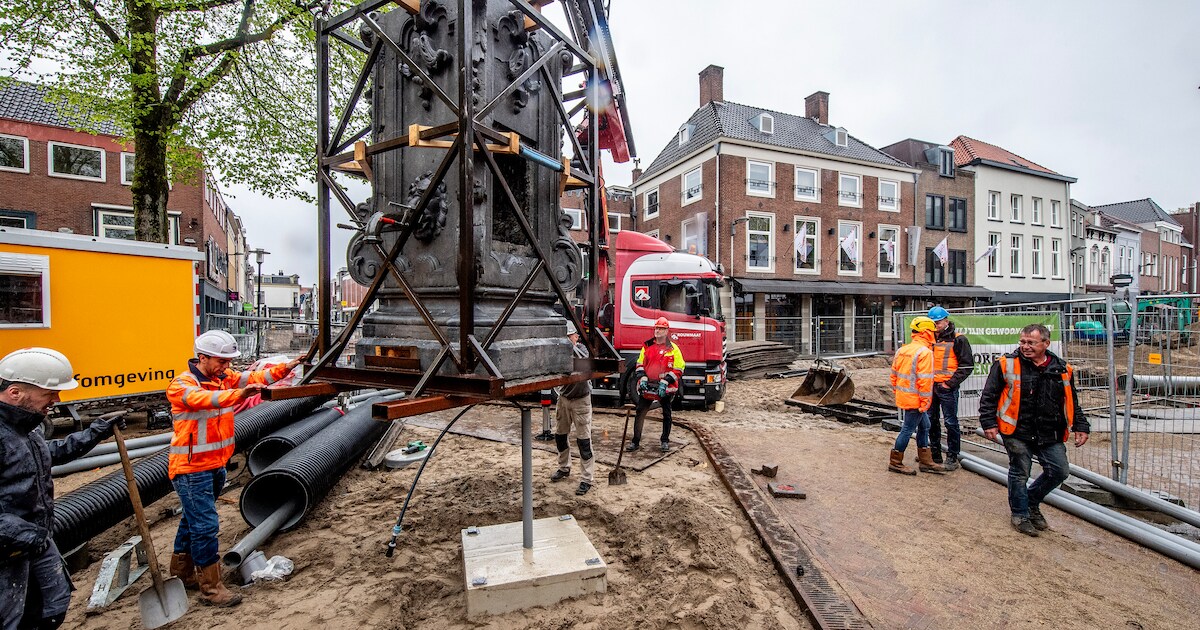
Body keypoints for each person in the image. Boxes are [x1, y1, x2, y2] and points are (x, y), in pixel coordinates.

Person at [166, 331, 300, 606]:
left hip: (215, 466)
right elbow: (206, 400)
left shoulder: (221, 379)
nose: (227, 367)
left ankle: (182, 574)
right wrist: (238, 394)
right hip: (191, 469)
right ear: (202, 358)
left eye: (228, 362)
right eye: (221, 361)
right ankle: (211, 589)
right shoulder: (182, 385)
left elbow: (255, 378)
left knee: (191, 521)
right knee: (204, 526)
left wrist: (288, 366)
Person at [0, 347, 125, 630]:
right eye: (49, 393)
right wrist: (26, 535)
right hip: (8, 550)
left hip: (36, 540)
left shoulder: (25, 427)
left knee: (52, 605)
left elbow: (46, 453)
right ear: (16, 392)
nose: (56, 401)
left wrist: (96, 432)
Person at [979, 323, 1089, 537]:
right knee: (1020, 472)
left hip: (1049, 431)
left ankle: (1030, 502)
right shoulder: (1006, 365)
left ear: (1046, 344)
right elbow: (989, 396)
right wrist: (988, 423)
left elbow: (1071, 401)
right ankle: (1020, 514)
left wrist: (1081, 425)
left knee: (1059, 471)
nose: (1025, 346)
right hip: (1017, 430)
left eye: (1031, 342)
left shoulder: (1062, 369)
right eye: (1022, 342)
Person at [888, 317, 945, 475]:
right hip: (916, 400)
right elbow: (925, 380)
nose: (934, 334)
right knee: (907, 429)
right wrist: (926, 402)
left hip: (905, 396)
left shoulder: (903, 350)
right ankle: (895, 461)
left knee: (925, 426)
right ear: (926, 333)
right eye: (932, 332)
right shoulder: (924, 352)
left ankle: (925, 461)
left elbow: (894, 375)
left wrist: (898, 391)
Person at [549, 321, 596, 496]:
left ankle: (586, 478)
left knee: (584, 441)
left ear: (575, 337)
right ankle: (564, 467)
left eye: (571, 336)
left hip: (581, 400)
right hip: (564, 399)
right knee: (560, 436)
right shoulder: (558, 352)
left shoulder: (582, 350)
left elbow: (582, 362)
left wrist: (570, 345)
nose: (570, 339)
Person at [927, 306, 975, 471]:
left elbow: (966, 366)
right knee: (931, 421)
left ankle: (952, 456)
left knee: (950, 422)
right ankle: (935, 454)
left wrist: (950, 383)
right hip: (931, 386)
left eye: (938, 322)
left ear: (946, 321)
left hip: (946, 388)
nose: (935, 325)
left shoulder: (958, 339)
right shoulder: (930, 338)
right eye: (933, 323)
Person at [627, 317, 684, 453]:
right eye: (656, 328)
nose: (658, 331)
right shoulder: (647, 346)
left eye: (661, 329)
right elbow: (640, 364)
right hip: (648, 385)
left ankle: (664, 441)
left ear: (667, 331)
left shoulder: (673, 349)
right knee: (640, 412)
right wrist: (643, 377)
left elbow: (679, 367)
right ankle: (635, 441)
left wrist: (666, 381)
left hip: (664, 387)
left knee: (667, 414)